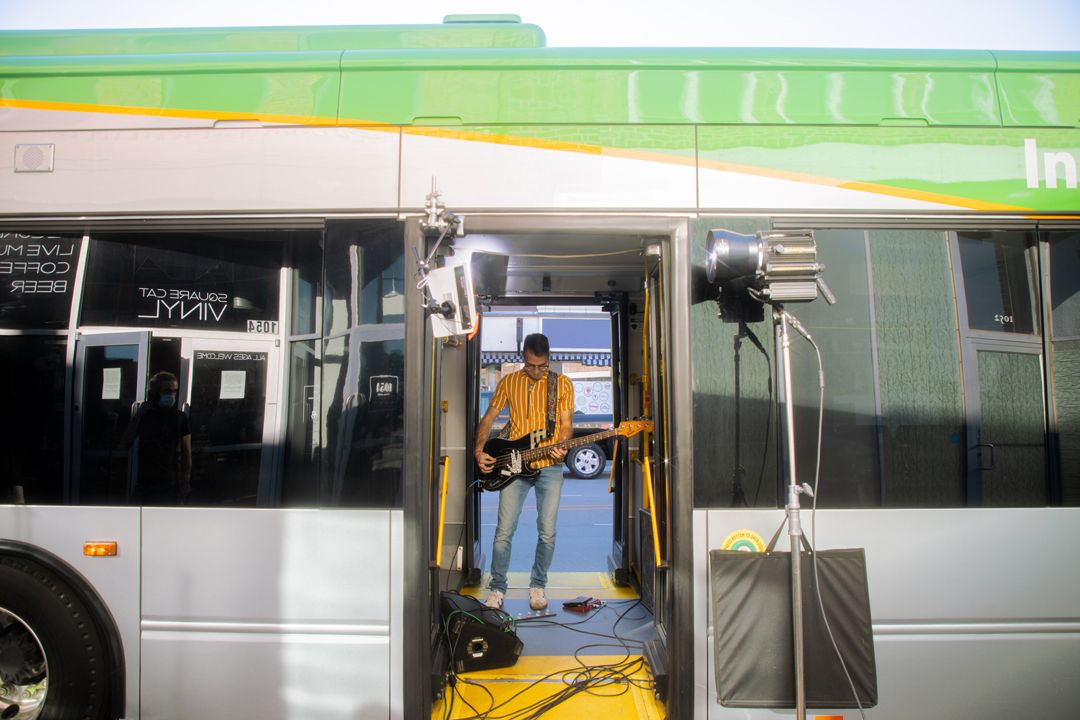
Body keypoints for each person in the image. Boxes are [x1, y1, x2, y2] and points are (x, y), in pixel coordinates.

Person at [474, 334, 574, 611]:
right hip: (514, 463)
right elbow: (488, 418)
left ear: (549, 359)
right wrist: (479, 450)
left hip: (549, 464)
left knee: (547, 531)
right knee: (504, 531)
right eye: (531, 365)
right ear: (523, 357)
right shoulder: (509, 382)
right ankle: (497, 588)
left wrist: (562, 445)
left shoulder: (562, 383)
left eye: (542, 366)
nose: (537, 371)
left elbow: (566, 424)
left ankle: (538, 585)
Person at [120, 371, 192, 505]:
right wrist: (140, 414)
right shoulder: (145, 414)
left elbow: (186, 451)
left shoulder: (180, 417)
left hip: (169, 481)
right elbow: (125, 442)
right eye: (167, 391)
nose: (171, 395)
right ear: (156, 392)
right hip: (145, 481)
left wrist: (186, 481)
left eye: (174, 391)